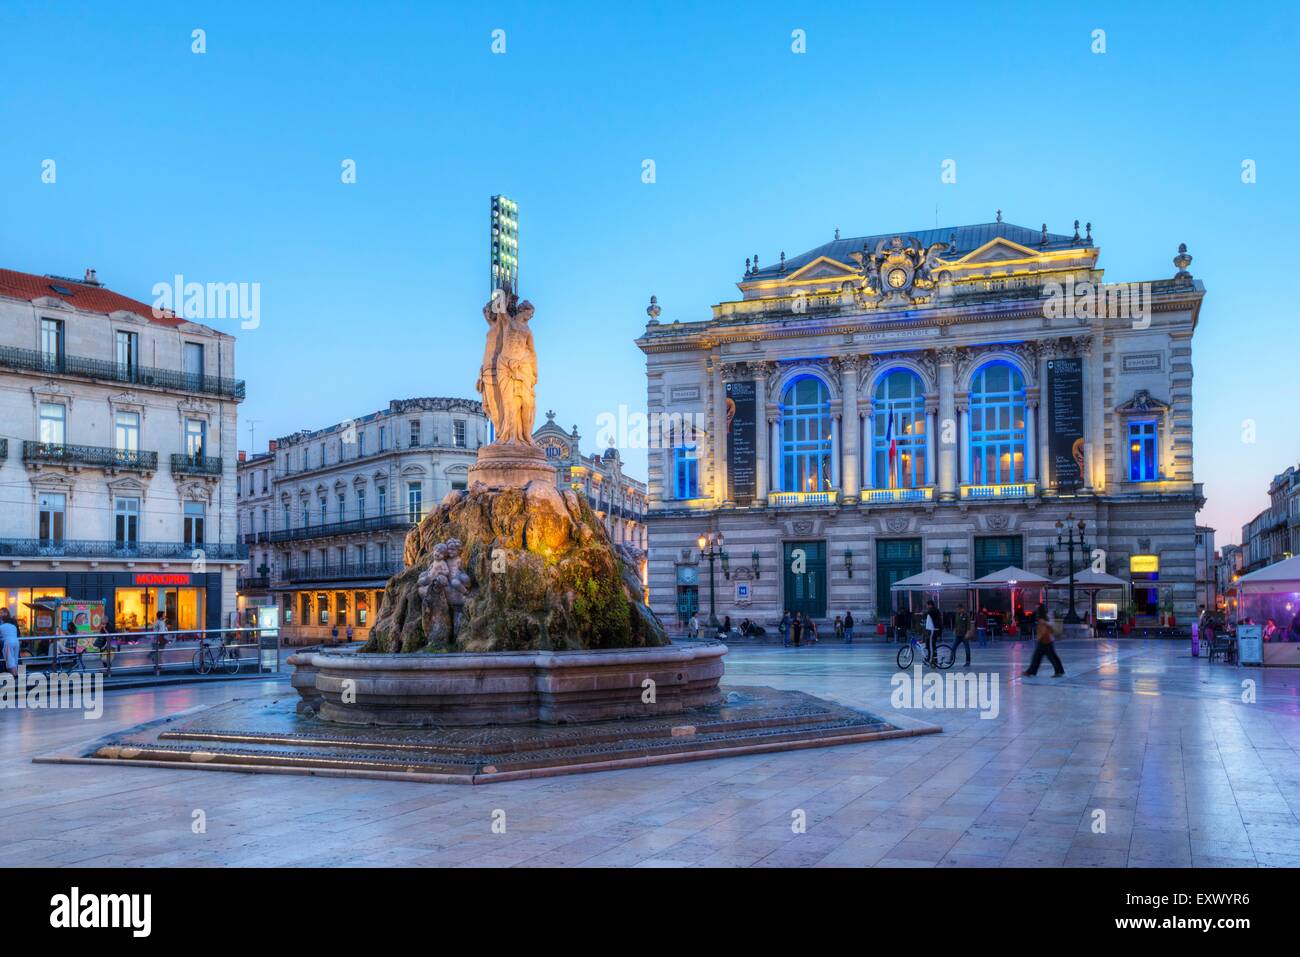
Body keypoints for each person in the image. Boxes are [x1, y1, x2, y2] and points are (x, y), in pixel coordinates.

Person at [1, 609, 20, 678]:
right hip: (16, 642)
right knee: (15, 659)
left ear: (3, 620)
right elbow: (17, 633)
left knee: (10, 660)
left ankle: (15, 676)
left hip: (8, 642)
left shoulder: (1, 627)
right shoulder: (13, 626)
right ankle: (16, 675)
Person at [151, 611, 169, 676]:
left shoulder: (156, 622)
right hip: (159, 640)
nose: (165, 615)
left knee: (157, 652)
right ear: (161, 616)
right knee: (159, 653)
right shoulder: (161, 622)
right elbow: (162, 632)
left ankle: (156, 664)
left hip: (155, 639)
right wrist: (165, 640)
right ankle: (158, 666)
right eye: (164, 614)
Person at [923, 600, 941, 664]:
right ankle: (931, 658)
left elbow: (929, 612)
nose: (927, 606)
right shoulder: (931, 611)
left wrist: (922, 613)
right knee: (929, 644)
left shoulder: (934, 610)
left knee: (931, 646)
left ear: (930, 605)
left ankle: (932, 660)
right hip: (930, 630)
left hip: (933, 630)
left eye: (927, 605)